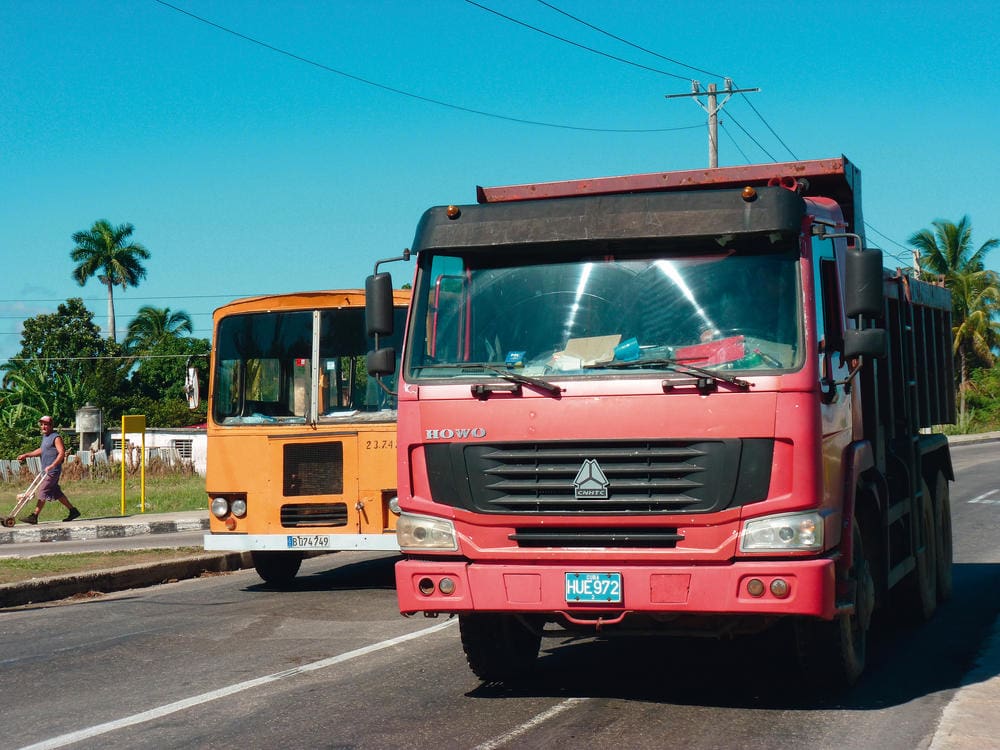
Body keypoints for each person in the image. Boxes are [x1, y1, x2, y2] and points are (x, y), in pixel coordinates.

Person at [17, 416, 80, 524]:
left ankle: (34, 516)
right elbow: (42, 450)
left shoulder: (56, 437)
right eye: (42, 424)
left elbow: (61, 453)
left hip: (53, 471)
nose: (43, 427)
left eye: (46, 424)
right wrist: (26, 455)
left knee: (43, 490)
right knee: (56, 493)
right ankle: (73, 511)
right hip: (46, 470)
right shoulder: (45, 437)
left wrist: (52, 465)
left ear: (51, 426)